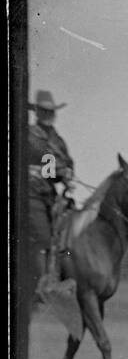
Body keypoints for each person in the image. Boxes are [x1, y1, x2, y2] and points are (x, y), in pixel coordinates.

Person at [26, 89, 76, 306]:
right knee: (43, 241)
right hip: (31, 194)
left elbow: (68, 163)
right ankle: (42, 287)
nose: (47, 114)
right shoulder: (28, 136)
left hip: (50, 197)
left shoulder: (57, 140)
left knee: (65, 240)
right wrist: (59, 171)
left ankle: (64, 283)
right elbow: (47, 166)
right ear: (37, 111)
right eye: (44, 110)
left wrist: (68, 174)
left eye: (50, 111)